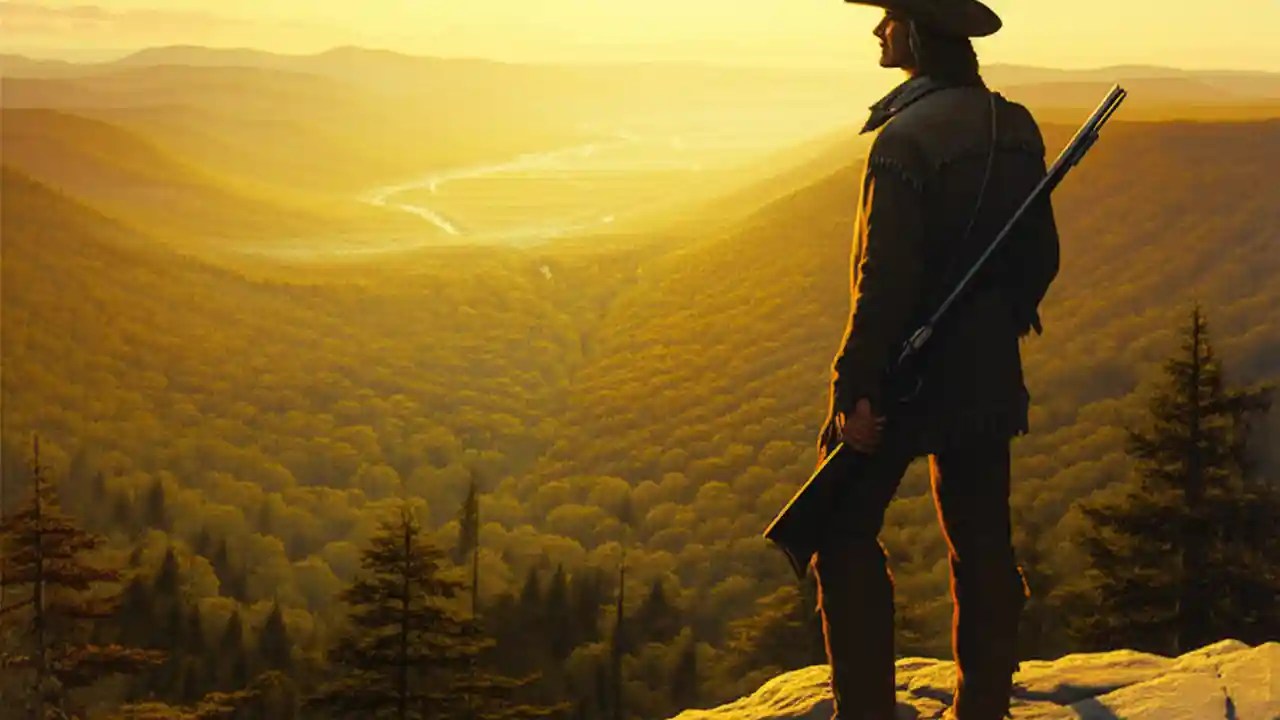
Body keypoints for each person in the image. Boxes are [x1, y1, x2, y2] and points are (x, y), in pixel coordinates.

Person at [811, 0, 1061, 719]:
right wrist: (994, 327)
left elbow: (881, 280)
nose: (878, 30)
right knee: (982, 541)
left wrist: (854, 385)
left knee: (841, 528)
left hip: (903, 378)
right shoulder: (1014, 125)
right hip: (986, 374)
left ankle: (865, 711)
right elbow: (1039, 257)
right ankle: (981, 706)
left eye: (890, 19)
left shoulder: (903, 138)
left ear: (917, 33)